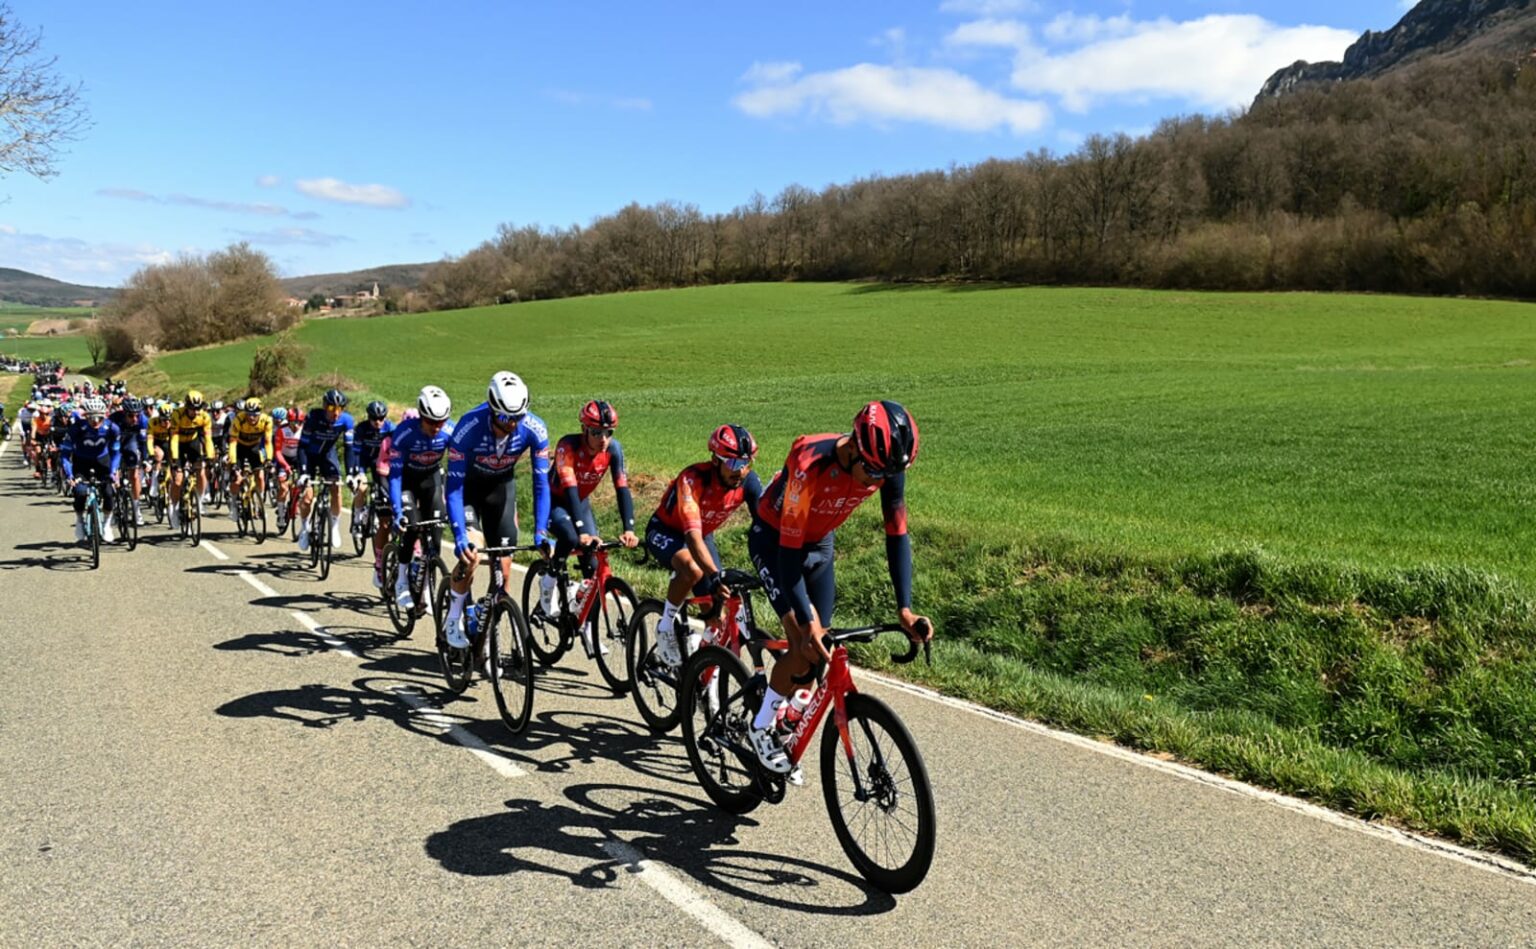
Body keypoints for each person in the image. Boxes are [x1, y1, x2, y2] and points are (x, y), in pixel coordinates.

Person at [744, 400, 933, 773]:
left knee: (821, 648)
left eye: (887, 475)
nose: (880, 482)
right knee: (803, 642)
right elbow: (788, 553)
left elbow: (896, 533)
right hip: (776, 539)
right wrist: (804, 617)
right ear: (855, 450)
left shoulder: (887, 464)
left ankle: (787, 702)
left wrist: (905, 608)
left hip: (820, 542)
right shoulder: (808, 464)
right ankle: (760, 725)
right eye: (874, 473)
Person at [442, 371, 551, 649]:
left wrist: (540, 530)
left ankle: (486, 630)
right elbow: (453, 489)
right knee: (472, 553)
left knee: (503, 572)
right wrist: (458, 536)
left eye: (518, 417)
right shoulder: (468, 427)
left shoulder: (535, 429)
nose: (513, 424)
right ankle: (453, 615)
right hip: (466, 491)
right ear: (492, 410)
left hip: (500, 490)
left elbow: (541, 485)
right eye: (505, 418)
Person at [645, 424, 763, 669]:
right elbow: (692, 538)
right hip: (668, 530)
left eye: (746, 463)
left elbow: (765, 528)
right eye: (732, 464)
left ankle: (699, 670)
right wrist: (715, 575)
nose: (740, 472)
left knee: (716, 617)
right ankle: (665, 626)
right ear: (715, 460)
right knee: (693, 569)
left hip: (703, 535)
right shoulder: (692, 479)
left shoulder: (748, 482)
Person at [541, 399, 639, 617]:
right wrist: (582, 532)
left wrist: (629, 528)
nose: (603, 439)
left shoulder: (613, 449)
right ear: (584, 429)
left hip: (580, 503)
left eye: (608, 432)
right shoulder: (568, 446)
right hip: (555, 500)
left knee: (593, 566)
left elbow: (622, 488)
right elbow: (569, 489)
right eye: (596, 432)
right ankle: (548, 582)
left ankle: (585, 623)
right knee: (571, 538)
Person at [386, 386, 454, 609]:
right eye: (432, 422)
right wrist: (397, 512)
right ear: (421, 416)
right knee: (413, 526)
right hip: (406, 482)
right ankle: (402, 579)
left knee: (435, 537)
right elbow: (394, 476)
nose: (437, 427)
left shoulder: (449, 433)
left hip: (431, 480)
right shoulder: (404, 433)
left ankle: (425, 580)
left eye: (441, 422)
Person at [296, 388, 355, 552]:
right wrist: (303, 473)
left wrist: (350, 473)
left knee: (336, 487)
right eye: (331, 408)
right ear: (324, 406)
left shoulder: (347, 421)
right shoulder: (313, 417)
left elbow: (349, 448)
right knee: (307, 497)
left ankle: (334, 526)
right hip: (309, 455)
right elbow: (302, 445)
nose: (335, 413)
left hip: (328, 456)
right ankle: (305, 527)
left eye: (339, 409)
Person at [59, 397, 121, 544]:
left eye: (98, 417)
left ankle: (106, 524)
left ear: (104, 415)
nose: (95, 421)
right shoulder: (76, 428)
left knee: (108, 492)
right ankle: (80, 520)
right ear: (85, 416)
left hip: (102, 461)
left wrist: (113, 472)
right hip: (81, 463)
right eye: (91, 417)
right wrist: (69, 475)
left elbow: (116, 452)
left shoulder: (112, 428)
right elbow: (65, 454)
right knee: (80, 492)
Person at [349, 399, 394, 586]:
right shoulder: (361, 429)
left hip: (382, 465)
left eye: (381, 418)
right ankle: (358, 517)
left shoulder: (390, 428)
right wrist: (356, 473)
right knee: (362, 487)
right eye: (374, 418)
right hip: (365, 462)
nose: (378, 422)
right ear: (369, 417)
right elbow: (355, 453)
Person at [167, 391, 214, 529]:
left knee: (201, 470)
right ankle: (174, 507)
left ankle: (199, 500)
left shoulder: (204, 416)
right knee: (178, 479)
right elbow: (174, 439)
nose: (196, 411)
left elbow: (208, 439)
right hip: (178, 445)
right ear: (187, 406)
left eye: (199, 408)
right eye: (193, 408)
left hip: (193, 443)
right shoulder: (177, 414)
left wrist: (210, 457)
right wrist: (175, 460)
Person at [227, 397, 275, 522]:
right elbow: (232, 443)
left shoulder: (267, 421)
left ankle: (259, 505)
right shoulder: (239, 419)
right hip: (239, 447)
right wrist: (233, 463)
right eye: (249, 414)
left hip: (254, 447)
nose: (251, 418)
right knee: (237, 478)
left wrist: (269, 460)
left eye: (255, 415)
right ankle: (233, 504)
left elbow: (268, 443)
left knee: (260, 475)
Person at [107, 397, 149, 525]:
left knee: (135, 475)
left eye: (137, 415)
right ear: (124, 413)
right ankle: (113, 506)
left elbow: (143, 442)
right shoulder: (113, 419)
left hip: (131, 442)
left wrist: (146, 460)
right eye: (131, 416)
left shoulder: (143, 421)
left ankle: (136, 510)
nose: (134, 419)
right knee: (113, 476)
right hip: (114, 444)